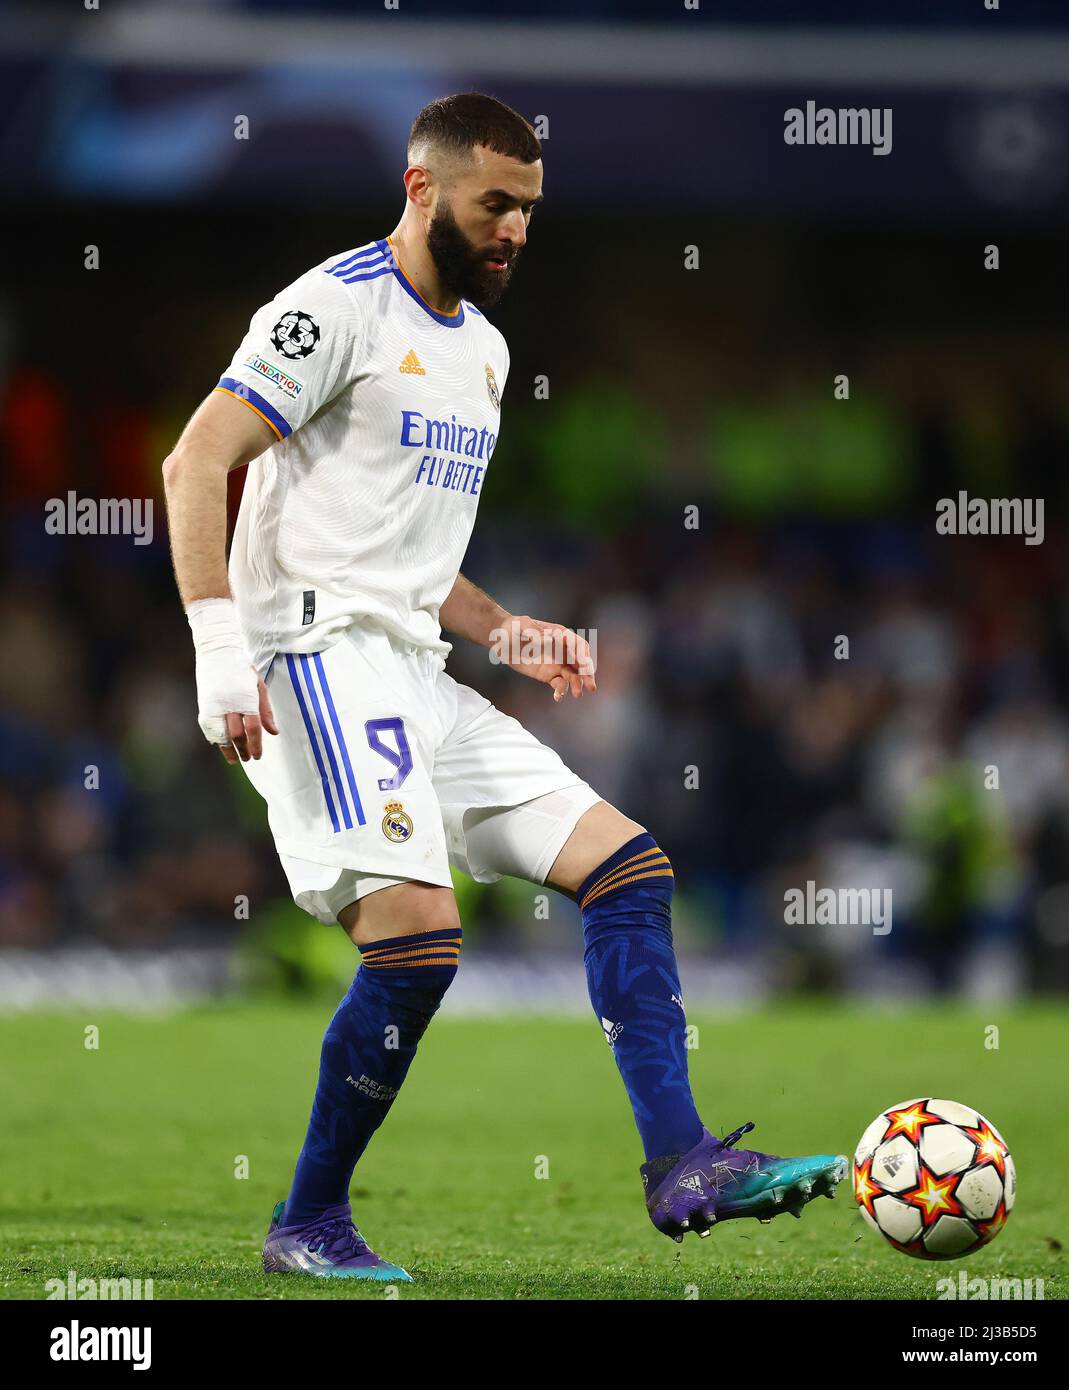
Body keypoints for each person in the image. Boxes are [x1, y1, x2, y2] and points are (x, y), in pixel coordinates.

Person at [162, 92, 844, 1281]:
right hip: (313, 657)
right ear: (423, 187)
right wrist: (221, 652)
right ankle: (307, 1222)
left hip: (414, 668)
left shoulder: (483, 350)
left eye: (528, 210)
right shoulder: (331, 308)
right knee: (418, 944)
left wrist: (506, 627)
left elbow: (408, 558)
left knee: (628, 867)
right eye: (495, 204)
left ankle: (681, 1160)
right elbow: (195, 460)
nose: (515, 231)